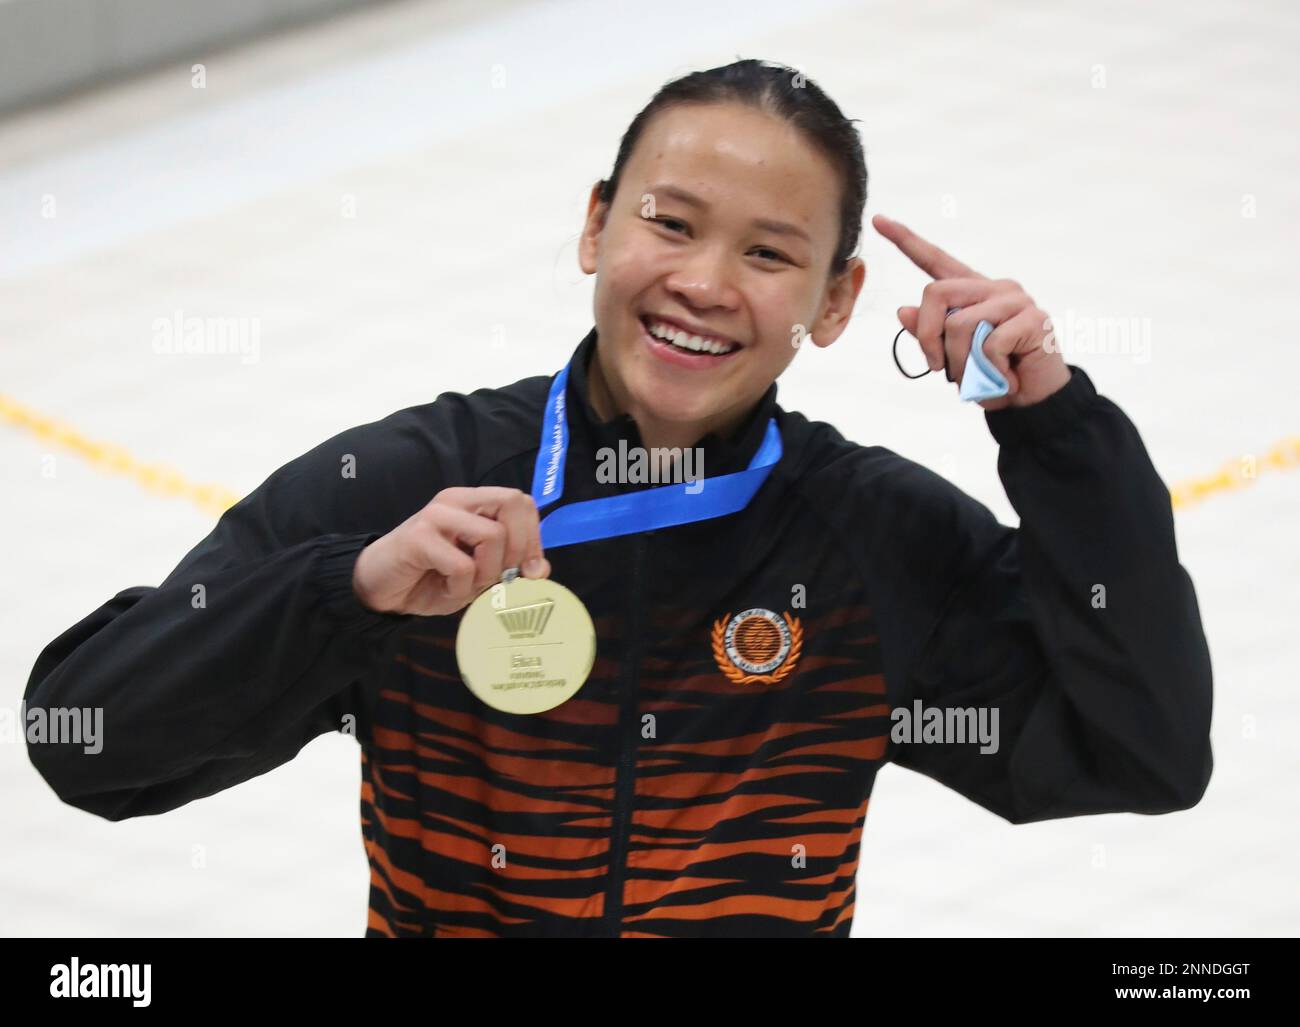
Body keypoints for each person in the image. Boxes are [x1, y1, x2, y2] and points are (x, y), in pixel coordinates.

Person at [23, 58, 1213, 938]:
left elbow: (1142, 754)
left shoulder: (869, 539)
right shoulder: (406, 489)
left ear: (836, 300)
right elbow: (86, 741)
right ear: (596, 225)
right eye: (669, 223)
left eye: (766, 253)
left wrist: (1054, 431)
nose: (701, 284)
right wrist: (344, 592)